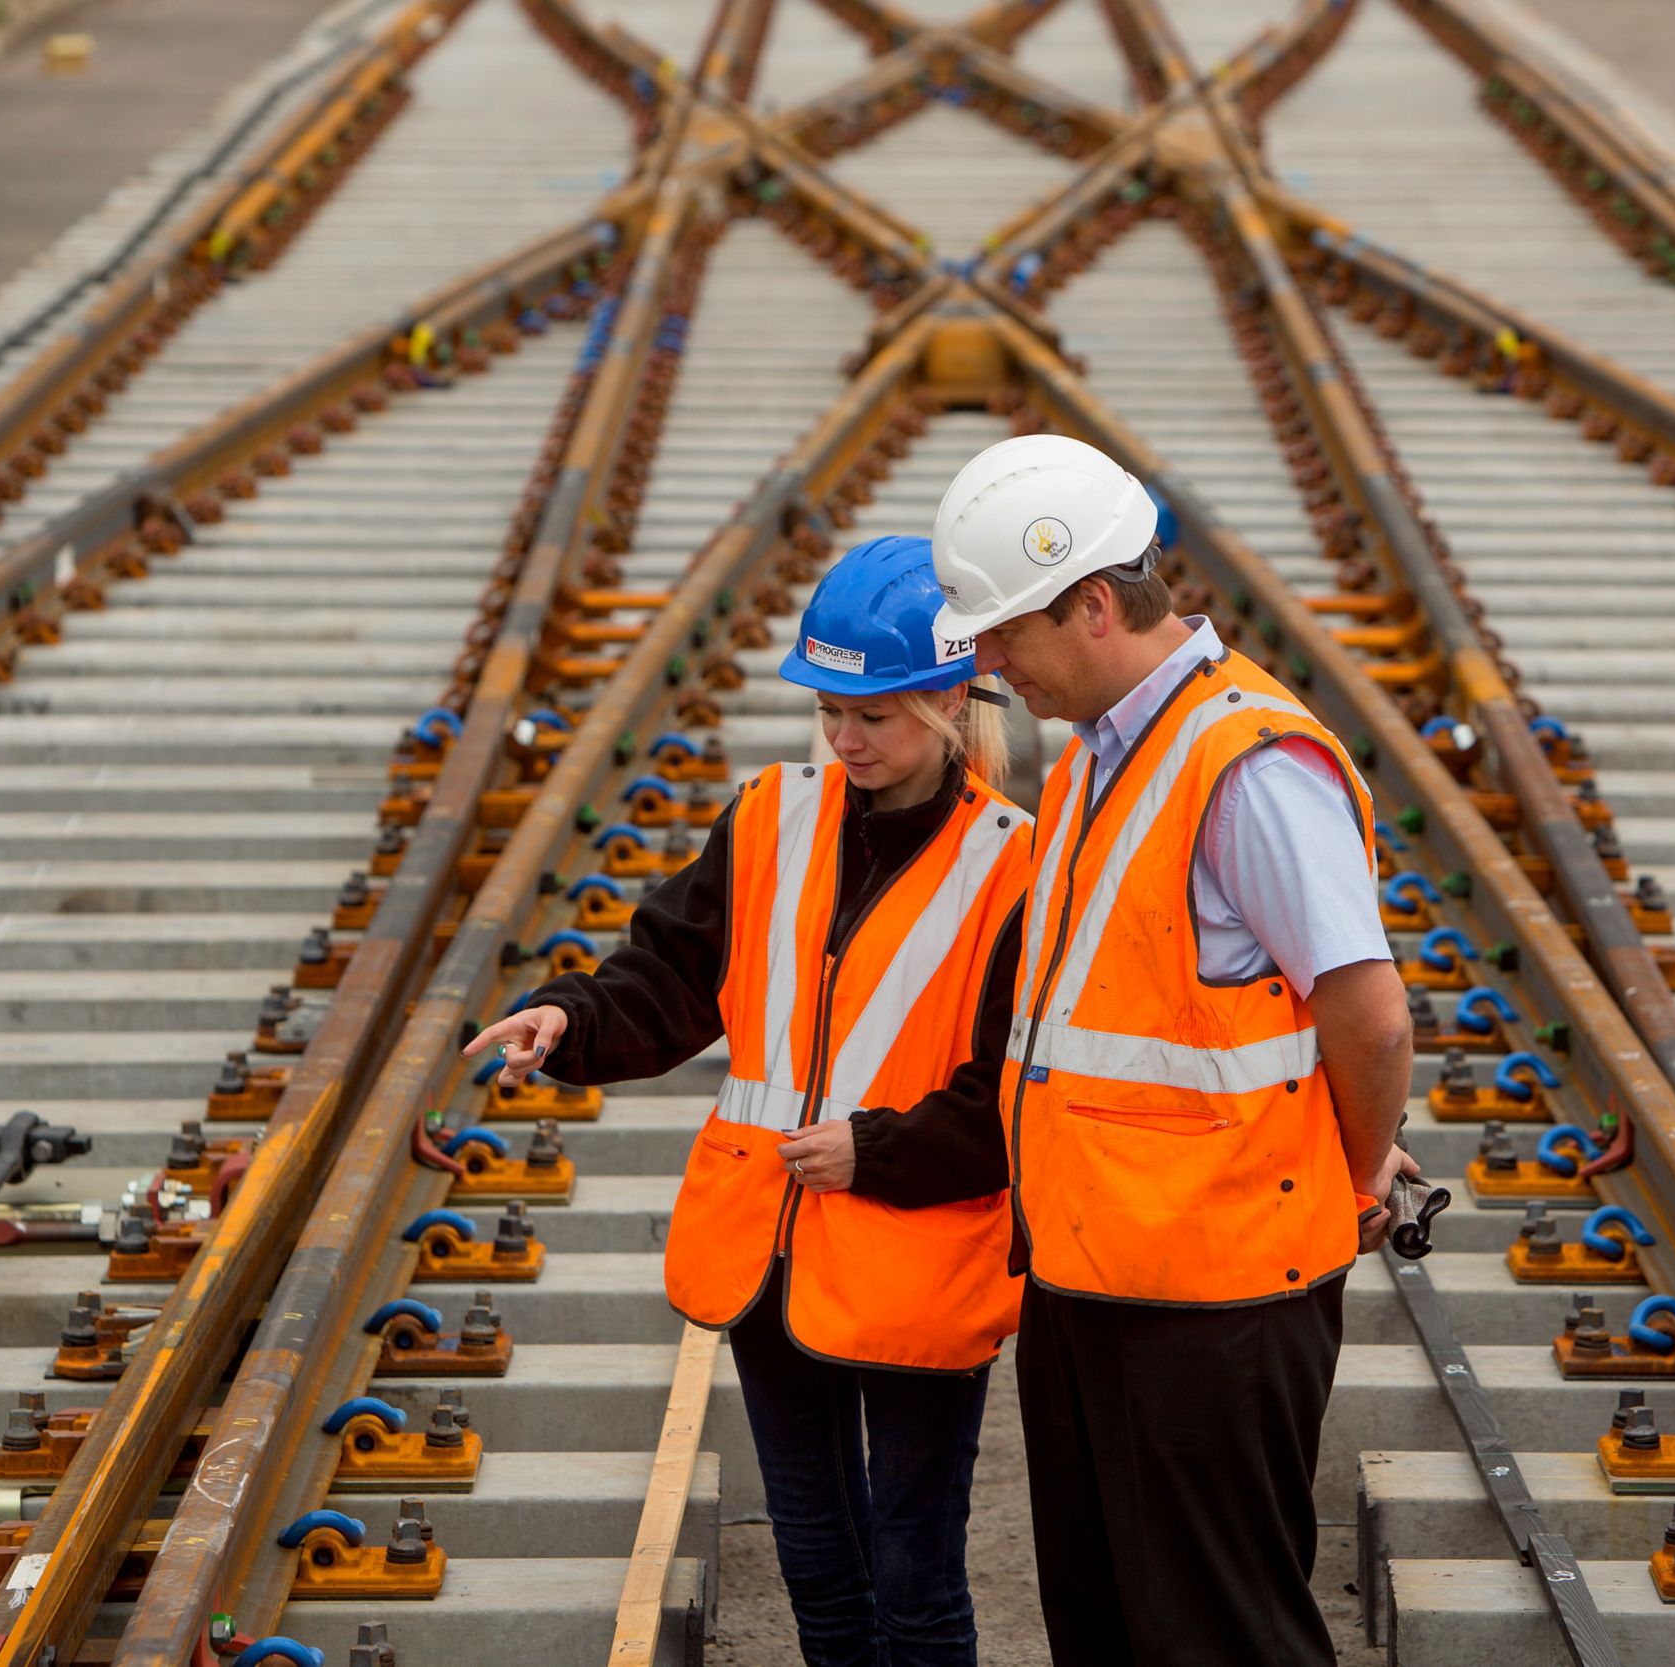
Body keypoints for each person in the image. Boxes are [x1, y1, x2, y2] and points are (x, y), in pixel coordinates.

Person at [462, 535, 1030, 1667]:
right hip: (769, 1255)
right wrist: (570, 1020)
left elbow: (1013, 1099)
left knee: (917, 1580)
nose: (846, 737)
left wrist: (875, 1152)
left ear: (951, 696)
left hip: (915, 1266)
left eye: (873, 712)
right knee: (818, 1561)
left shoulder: (1015, 864)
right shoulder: (770, 815)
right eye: (830, 710)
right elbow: (671, 978)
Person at [930, 434, 1419, 1667]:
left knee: (1219, 1634)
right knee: (1107, 1623)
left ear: (1095, 603)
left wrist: (1353, 1176)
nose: (988, 665)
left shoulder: (1247, 761)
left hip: (1217, 1295)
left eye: (1005, 635)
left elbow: (1367, 1012)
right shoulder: (1109, 748)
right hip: (1097, 1272)